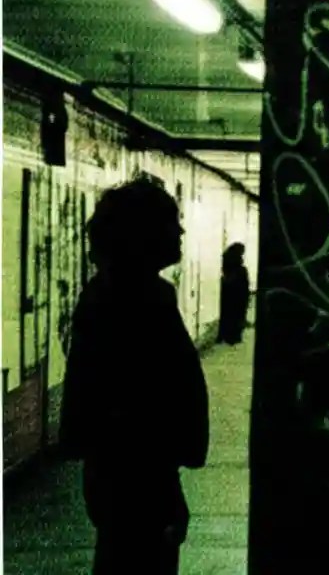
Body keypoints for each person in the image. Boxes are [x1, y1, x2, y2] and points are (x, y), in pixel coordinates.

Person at [59, 178, 210, 575]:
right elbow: (134, 400)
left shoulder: (131, 293)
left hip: (138, 470)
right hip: (134, 474)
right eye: (170, 222)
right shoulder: (126, 301)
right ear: (141, 234)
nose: (179, 231)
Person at [217, 243, 250, 346]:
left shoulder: (227, 261)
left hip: (229, 291)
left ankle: (227, 336)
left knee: (228, 314)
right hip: (237, 292)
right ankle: (234, 337)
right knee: (237, 314)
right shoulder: (240, 270)